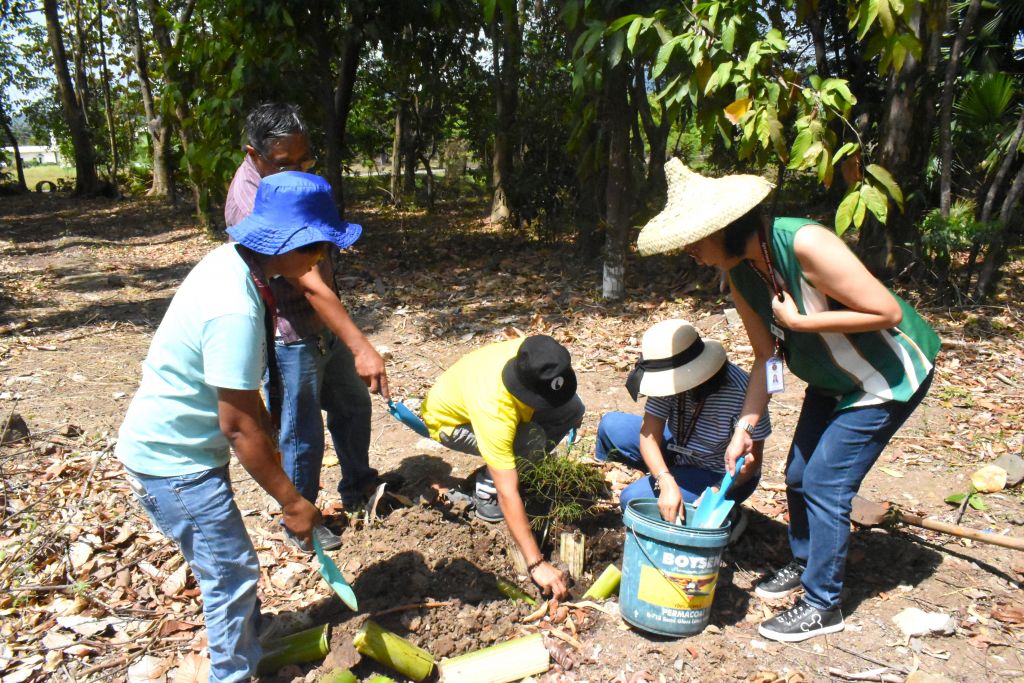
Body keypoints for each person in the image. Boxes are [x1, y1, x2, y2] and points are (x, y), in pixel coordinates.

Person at [636, 159, 939, 642]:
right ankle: (804, 560)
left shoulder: (804, 242)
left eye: (695, 240)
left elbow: (886, 310)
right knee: (797, 475)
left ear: (726, 227)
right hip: (834, 379)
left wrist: (802, 325)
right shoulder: (740, 273)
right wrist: (744, 427)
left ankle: (824, 604)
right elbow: (764, 358)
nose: (691, 252)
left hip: (887, 376)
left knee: (825, 482)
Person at [116, 172, 362, 682]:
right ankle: (231, 674)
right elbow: (237, 426)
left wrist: (268, 431)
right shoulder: (233, 306)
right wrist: (293, 502)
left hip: (187, 449)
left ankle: (246, 639)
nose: (320, 261)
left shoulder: (235, 266)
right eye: (316, 250)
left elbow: (243, 406)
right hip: (174, 462)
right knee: (230, 571)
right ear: (290, 246)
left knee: (227, 562)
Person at [226, 103, 391, 551]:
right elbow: (309, 280)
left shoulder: (284, 183)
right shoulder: (248, 201)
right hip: (289, 333)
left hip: (322, 322)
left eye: (305, 163)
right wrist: (362, 345)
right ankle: (301, 516)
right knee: (301, 433)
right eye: (285, 165)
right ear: (254, 155)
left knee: (353, 406)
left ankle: (360, 488)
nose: (296, 171)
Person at [420, 335, 585, 600]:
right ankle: (486, 487)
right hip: (452, 423)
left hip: (484, 402)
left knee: (571, 409)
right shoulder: (495, 410)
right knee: (530, 443)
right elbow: (509, 493)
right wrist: (536, 563)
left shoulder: (535, 355)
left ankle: (510, 465)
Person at [595, 319, 771, 534]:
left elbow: (751, 465)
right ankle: (675, 484)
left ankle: (725, 516)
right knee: (612, 426)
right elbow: (648, 435)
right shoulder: (668, 377)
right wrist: (665, 480)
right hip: (681, 449)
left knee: (632, 500)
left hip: (717, 472)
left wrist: (718, 488)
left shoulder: (744, 392)